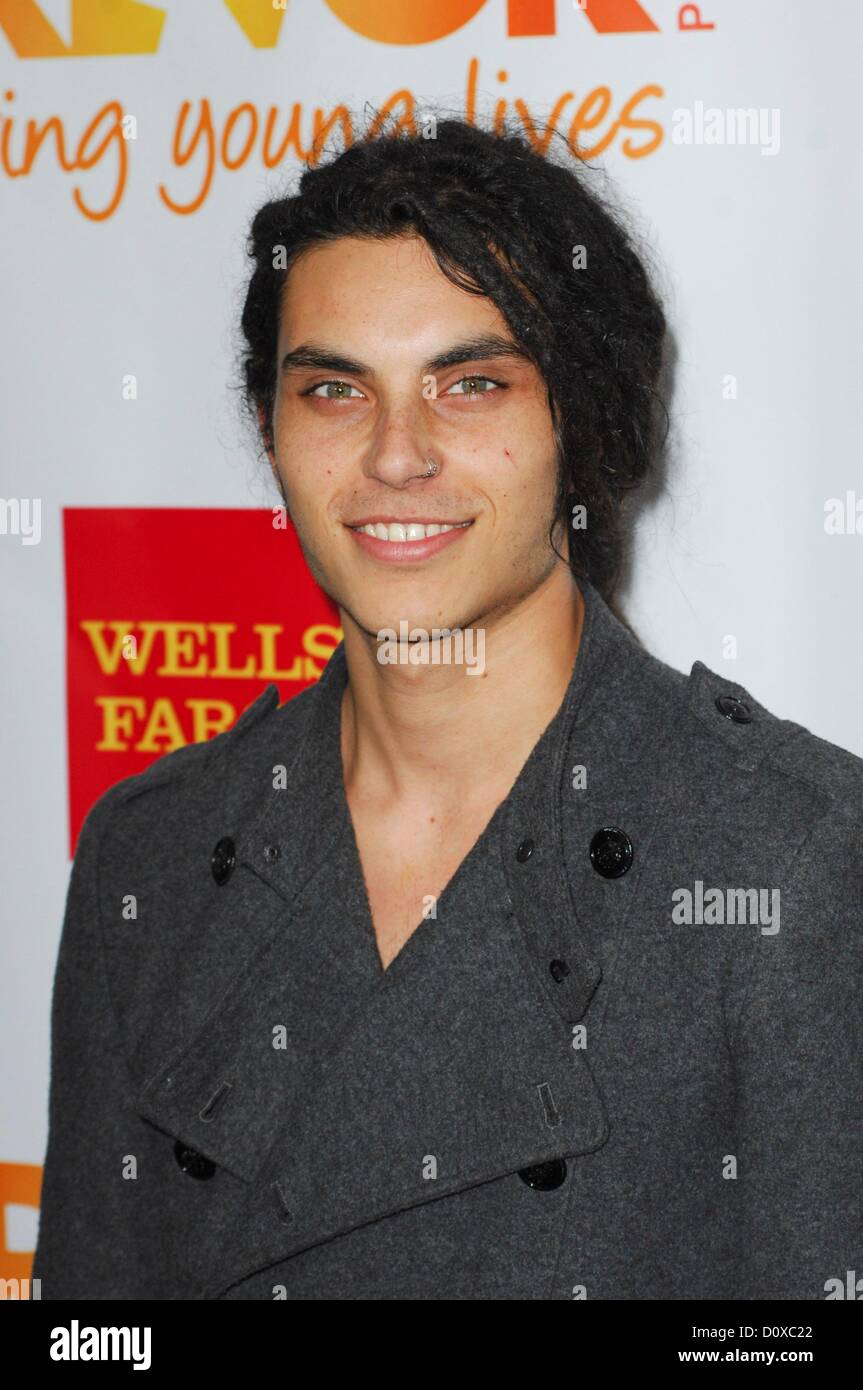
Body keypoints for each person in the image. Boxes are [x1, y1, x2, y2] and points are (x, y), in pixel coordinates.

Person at [33, 115, 862, 1300]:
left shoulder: (793, 856)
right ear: (269, 431)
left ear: (581, 427)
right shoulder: (152, 851)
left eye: (470, 385)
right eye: (332, 389)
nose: (396, 456)